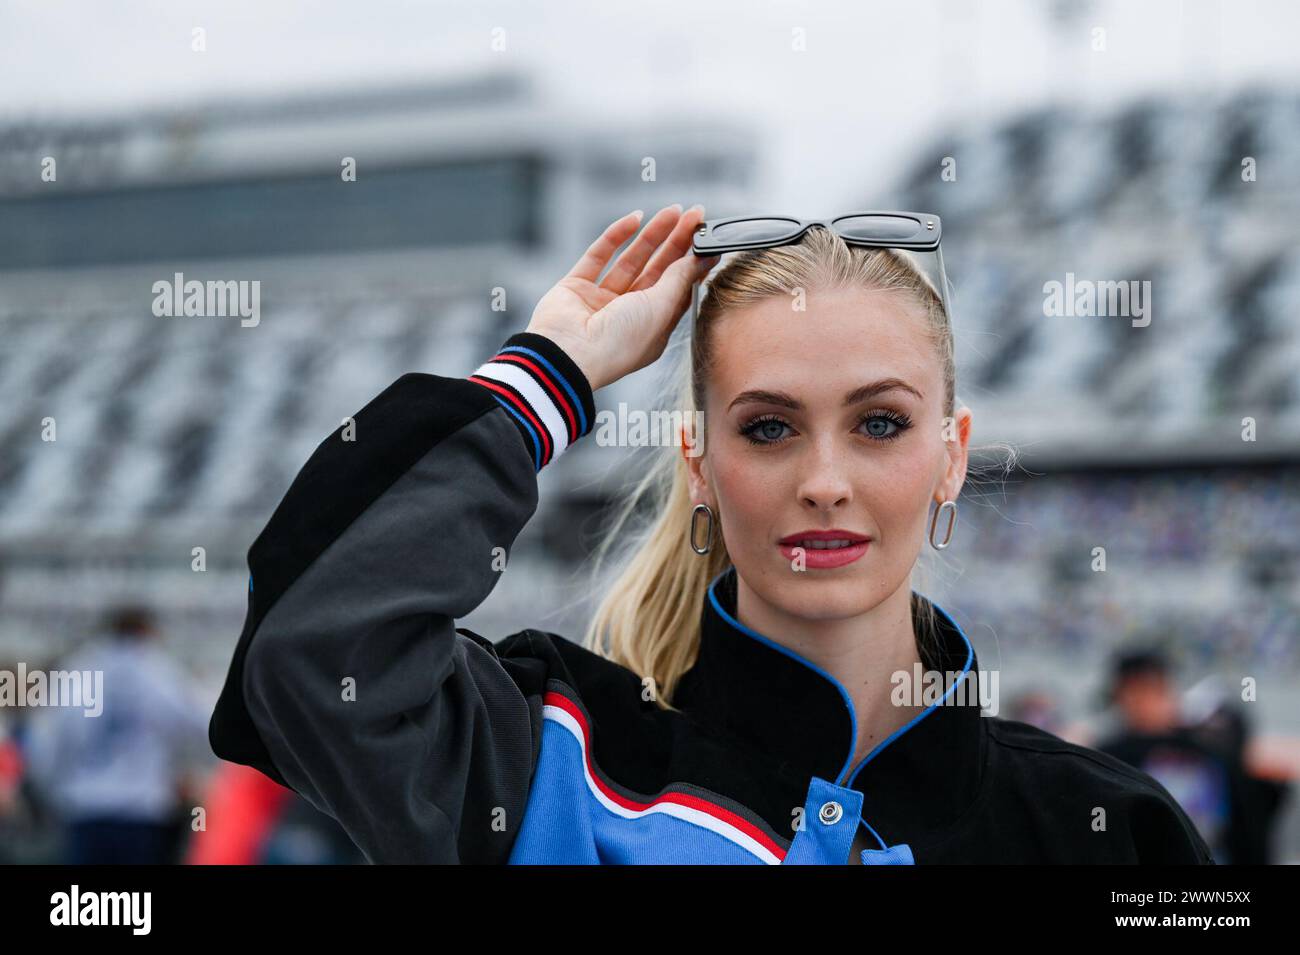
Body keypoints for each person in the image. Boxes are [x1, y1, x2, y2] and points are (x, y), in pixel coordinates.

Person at [210, 205, 1212, 864]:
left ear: (950, 454)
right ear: (699, 463)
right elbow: (310, 647)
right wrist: (550, 370)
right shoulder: (552, 759)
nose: (824, 482)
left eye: (879, 423)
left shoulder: (1109, 830)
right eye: (768, 427)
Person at [24, 606, 210, 864]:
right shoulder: (160, 671)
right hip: (143, 813)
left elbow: (47, 742)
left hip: (87, 809)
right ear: (147, 630)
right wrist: (185, 772)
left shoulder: (80, 671)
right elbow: (203, 727)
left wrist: (53, 793)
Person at [1096, 649, 1284, 864]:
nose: (1142, 702)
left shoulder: (1206, 749)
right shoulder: (1110, 755)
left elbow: (1246, 820)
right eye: (1135, 692)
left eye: (1152, 690)